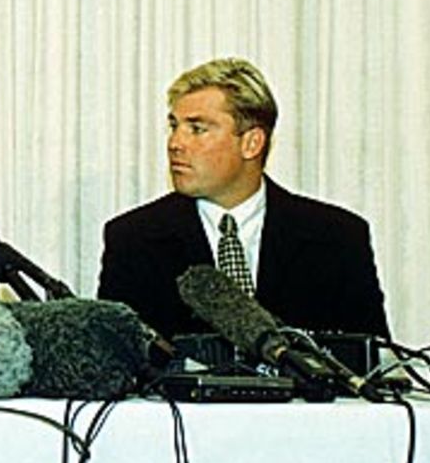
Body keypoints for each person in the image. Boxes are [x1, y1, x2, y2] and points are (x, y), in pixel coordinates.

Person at [97, 57, 389, 341]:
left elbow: (373, 364)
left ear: (251, 143)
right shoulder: (134, 238)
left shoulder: (336, 237)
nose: (175, 143)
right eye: (175, 126)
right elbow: (117, 366)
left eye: (197, 129)